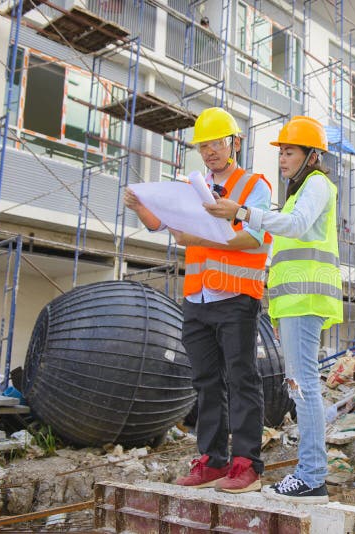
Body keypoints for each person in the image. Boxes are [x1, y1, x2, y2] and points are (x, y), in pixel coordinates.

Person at [123, 107, 271, 493]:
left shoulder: (254, 185)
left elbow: (255, 239)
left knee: (241, 379)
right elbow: (163, 225)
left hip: (237, 295)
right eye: (203, 146)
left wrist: (202, 238)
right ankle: (213, 461)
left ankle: (246, 463)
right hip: (198, 296)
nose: (209, 152)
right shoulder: (193, 187)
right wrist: (141, 207)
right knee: (206, 381)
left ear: (234, 143)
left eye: (216, 143)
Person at [206, 116, 343, 504]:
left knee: (304, 387)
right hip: (293, 303)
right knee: (300, 385)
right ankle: (310, 474)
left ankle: (312, 476)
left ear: (311, 155)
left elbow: (297, 227)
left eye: (289, 151)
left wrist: (243, 212)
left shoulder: (317, 185)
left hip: (305, 301)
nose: (282, 159)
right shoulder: (299, 191)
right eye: (281, 152)